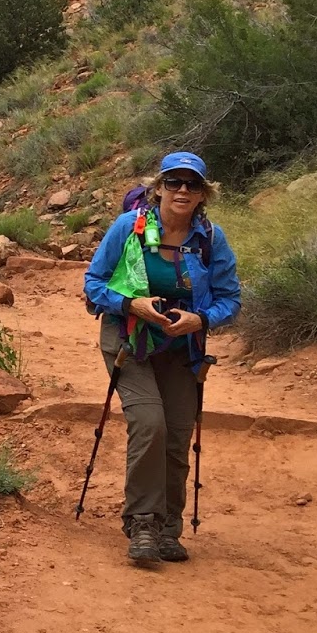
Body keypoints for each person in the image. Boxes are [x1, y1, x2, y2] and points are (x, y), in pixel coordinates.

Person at [83, 151, 241, 566]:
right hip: (129, 340)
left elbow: (231, 299)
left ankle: (169, 527)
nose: (183, 190)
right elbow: (94, 283)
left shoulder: (210, 239)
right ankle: (143, 523)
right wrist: (131, 304)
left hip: (181, 346)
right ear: (159, 189)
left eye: (192, 184)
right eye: (174, 182)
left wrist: (200, 318)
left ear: (204, 193)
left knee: (175, 432)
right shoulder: (129, 228)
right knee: (149, 422)